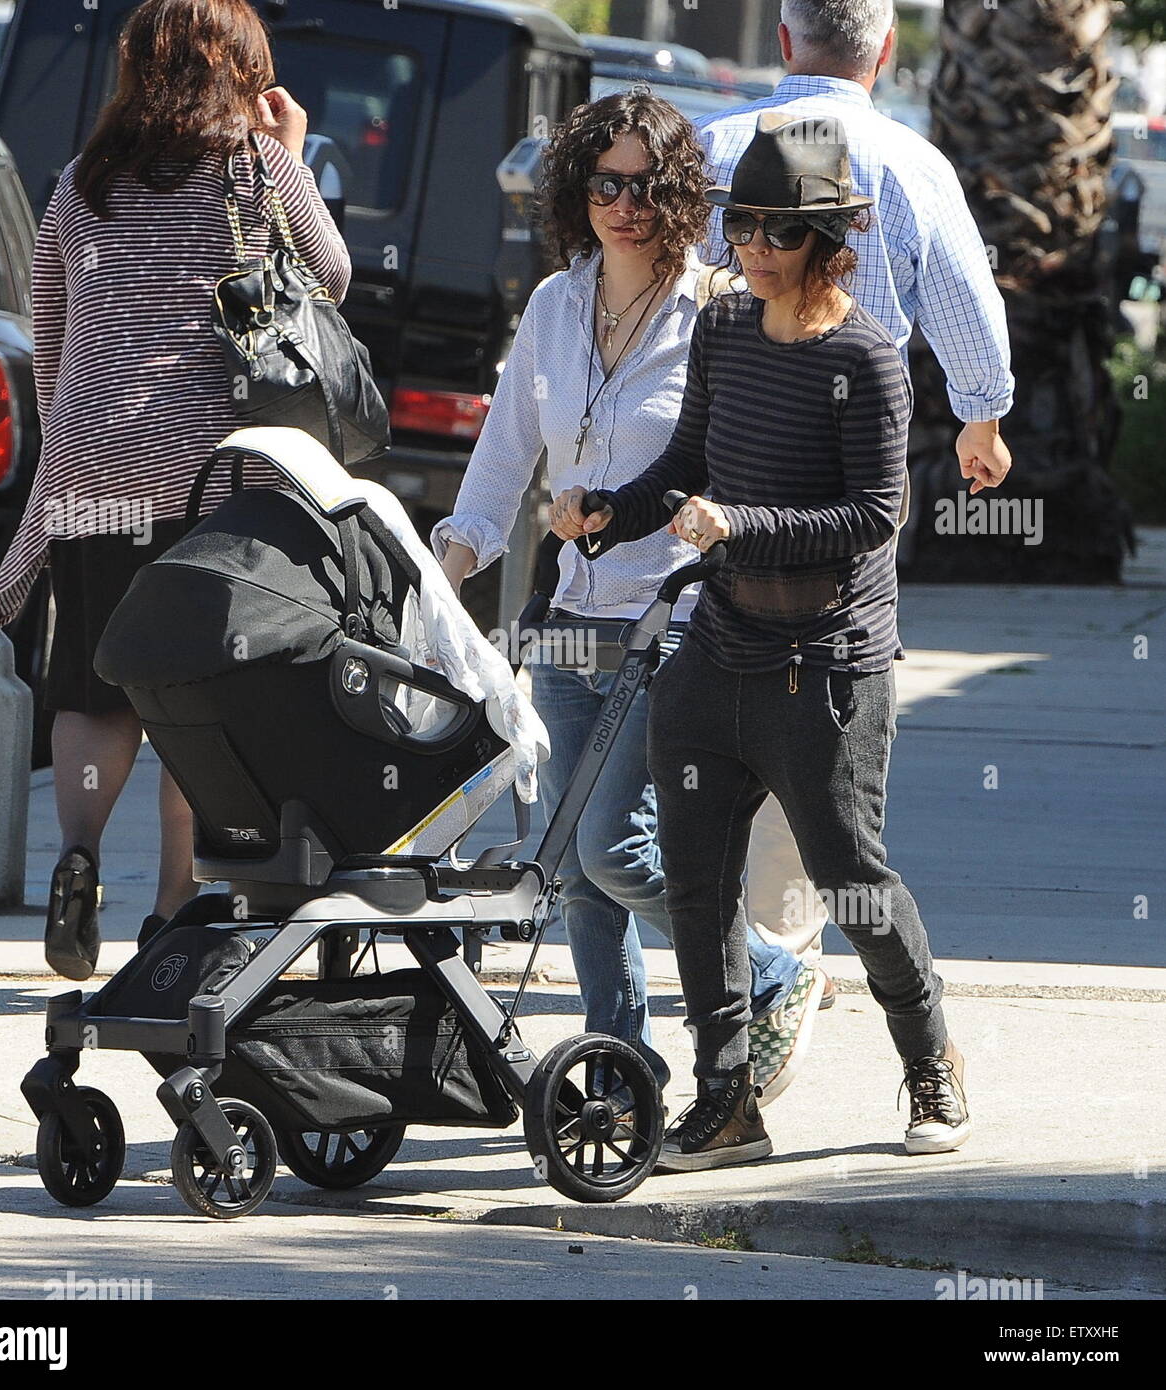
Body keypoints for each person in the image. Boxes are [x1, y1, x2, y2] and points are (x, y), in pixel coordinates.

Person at [561, 113, 970, 1170]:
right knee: (694, 885)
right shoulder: (725, 330)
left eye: (773, 233)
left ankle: (927, 1056)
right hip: (719, 647)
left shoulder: (866, 359)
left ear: (830, 244)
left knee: (850, 879)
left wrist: (742, 524)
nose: (747, 248)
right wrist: (611, 508)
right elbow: (686, 466)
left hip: (827, 667)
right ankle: (726, 1097)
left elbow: (873, 516)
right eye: (738, 225)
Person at [433, 92, 812, 1083]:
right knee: (572, 871)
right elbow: (501, 462)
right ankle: (618, 1064)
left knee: (614, 850)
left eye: (646, 184)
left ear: (678, 191)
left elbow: (738, 470)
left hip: (677, 620)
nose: (624, 203)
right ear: (579, 187)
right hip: (566, 622)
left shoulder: (717, 311)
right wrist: (448, 569)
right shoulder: (556, 307)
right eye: (606, 181)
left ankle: (768, 971)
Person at [0, 0, 351, 980]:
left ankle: (77, 857)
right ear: (239, 68)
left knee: (93, 688)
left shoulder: (79, 183)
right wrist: (293, 151)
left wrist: (80, 446)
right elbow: (330, 274)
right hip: (210, 471)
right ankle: (176, 900)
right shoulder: (252, 167)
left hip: (93, 465)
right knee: (192, 684)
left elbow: (51, 339)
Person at [694, 0, 1016, 1018]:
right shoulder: (908, 164)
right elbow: (967, 302)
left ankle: (747, 947)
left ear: (783, 42)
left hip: (719, 458)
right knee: (813, 693)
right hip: (847, 481)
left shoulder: (714, 146)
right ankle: (785, 945)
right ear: (880, 51)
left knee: (718, 684)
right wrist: (979, 419)